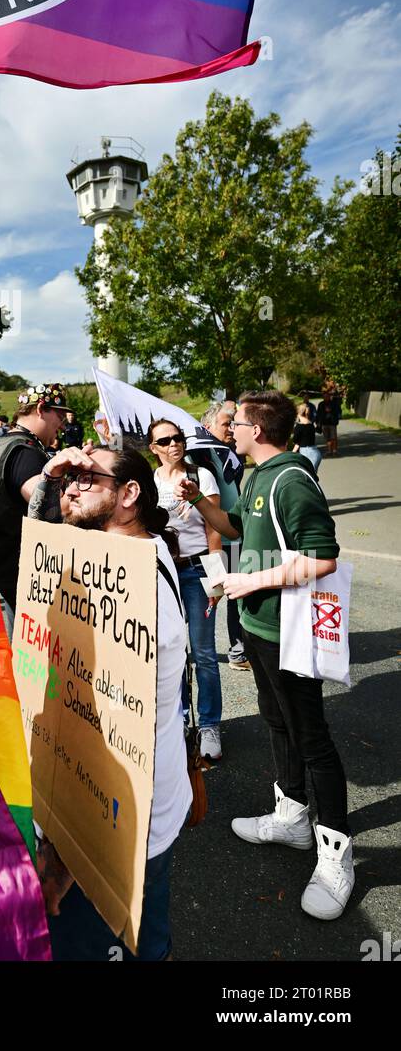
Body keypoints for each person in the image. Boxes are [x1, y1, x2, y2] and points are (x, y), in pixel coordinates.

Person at [179, 389, 352, 919]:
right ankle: (293, 816)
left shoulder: (293, 479)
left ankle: (336, 853)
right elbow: (236, 528)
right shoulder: (256, 476)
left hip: (289, 632)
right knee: (277, 723)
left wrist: (251, 578)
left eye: (237, 422)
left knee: (311, 737)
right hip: (257, 625)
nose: (228, 427)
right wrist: (201, 501)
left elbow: (323, 557)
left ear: (258, 429)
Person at [35, 442, 190, 962]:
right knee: (145, 935)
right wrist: (48, 482)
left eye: (87, 477)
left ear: (129, 493)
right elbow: (42, 562)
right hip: (129, 811)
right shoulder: (123, 552)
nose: (72, 486)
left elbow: (107, 736)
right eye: (67, 480)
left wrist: (61, 851)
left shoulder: (132, 584)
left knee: (116, 943)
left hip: (111, 822)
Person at [149, 418, 224, 762]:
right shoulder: (148, 481)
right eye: (164, 440)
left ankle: (209, 725)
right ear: (154, 448)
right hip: (163, 572)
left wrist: (216, 576)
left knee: (204, 652)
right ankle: (177, 720)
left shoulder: (201, 475)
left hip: (196, 570)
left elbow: (214, 526)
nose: (173, 444)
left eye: (177, 438)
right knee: (172, 650)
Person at [0, 382, 71, 635]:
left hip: (5, 565)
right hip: (19, 570)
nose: (62, 423)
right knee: (28, 647)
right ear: (41, 408)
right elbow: (51, 504)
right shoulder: (26, 451)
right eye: (59, 415)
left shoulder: (8, 441)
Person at [198, 400, 249, 671]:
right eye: (225, 423)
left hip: (234, 535)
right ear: (207, 427)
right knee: (210, 597)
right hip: (214, 539)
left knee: (237, 595)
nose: (231, 428)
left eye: (232, 423)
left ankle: (238, 651)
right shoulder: (202, 455)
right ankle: (198, 653)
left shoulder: (228, 452)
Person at [293, 402, 322, 475]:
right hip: (315, 452)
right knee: (312, 478)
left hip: (306, 453)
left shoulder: (299, 427)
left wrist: (291, 454)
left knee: (307, 478)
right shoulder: (311, 425)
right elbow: (320, 431)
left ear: (298, 413)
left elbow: (296, 441)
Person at [315, 391, 340, 458]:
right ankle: (329, 451)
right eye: (324, 396)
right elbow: (318, 414)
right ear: (323, 397)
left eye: (327, 396)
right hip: (324, 423)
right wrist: (317, 422)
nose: (326, 397)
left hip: (332, 423)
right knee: (327, 438)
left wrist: (330, 411)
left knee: (333, 437)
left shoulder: (334, 404)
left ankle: (334, 451)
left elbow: (338, 412)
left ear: (329, 396)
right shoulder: (321, 404)